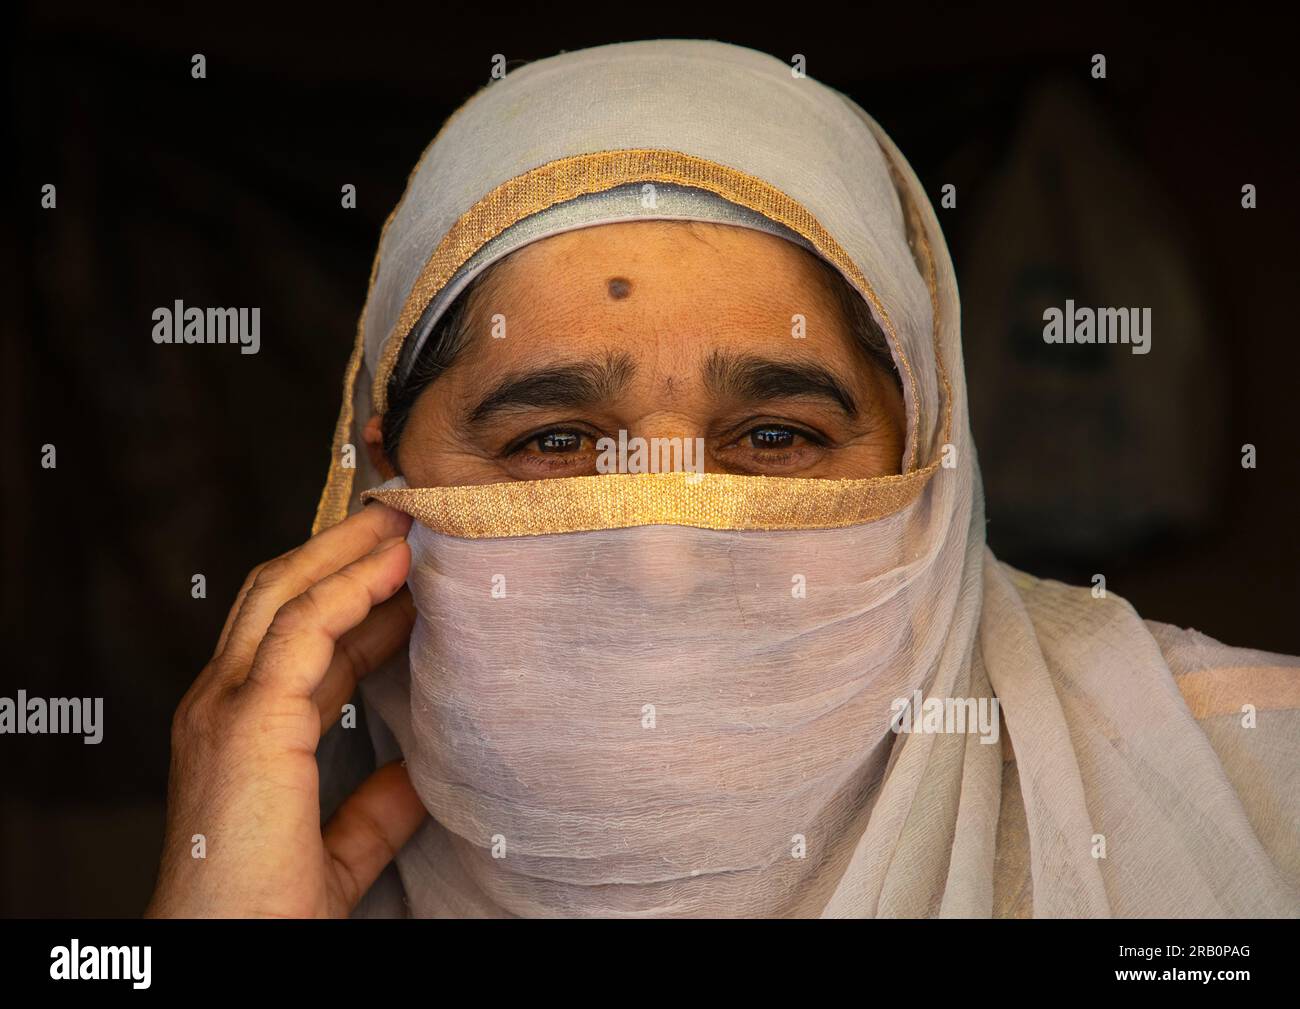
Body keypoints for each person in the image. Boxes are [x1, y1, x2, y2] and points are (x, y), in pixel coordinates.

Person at [146, 39, 1299, 918]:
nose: (660, 565)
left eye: (774, 438)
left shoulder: (1255, 790)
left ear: (928, 469)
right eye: (554, 445)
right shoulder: (292, 871)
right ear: (382, 480)